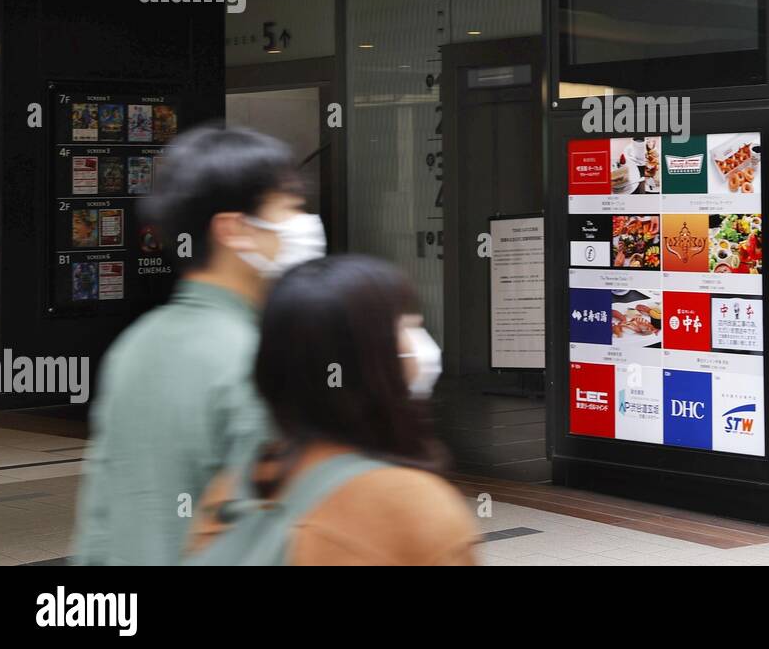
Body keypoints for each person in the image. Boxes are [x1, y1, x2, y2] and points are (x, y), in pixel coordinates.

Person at [73, 125, 323, 565]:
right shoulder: (259, 361)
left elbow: (99, 519)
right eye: (289, 208)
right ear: (233, 230)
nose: (306, 226)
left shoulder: (135, 345)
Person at [186, 255, 477, 566]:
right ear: (373, 358)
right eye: (406, 327)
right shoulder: (413, 509)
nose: (420, 346)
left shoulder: (237, 485)